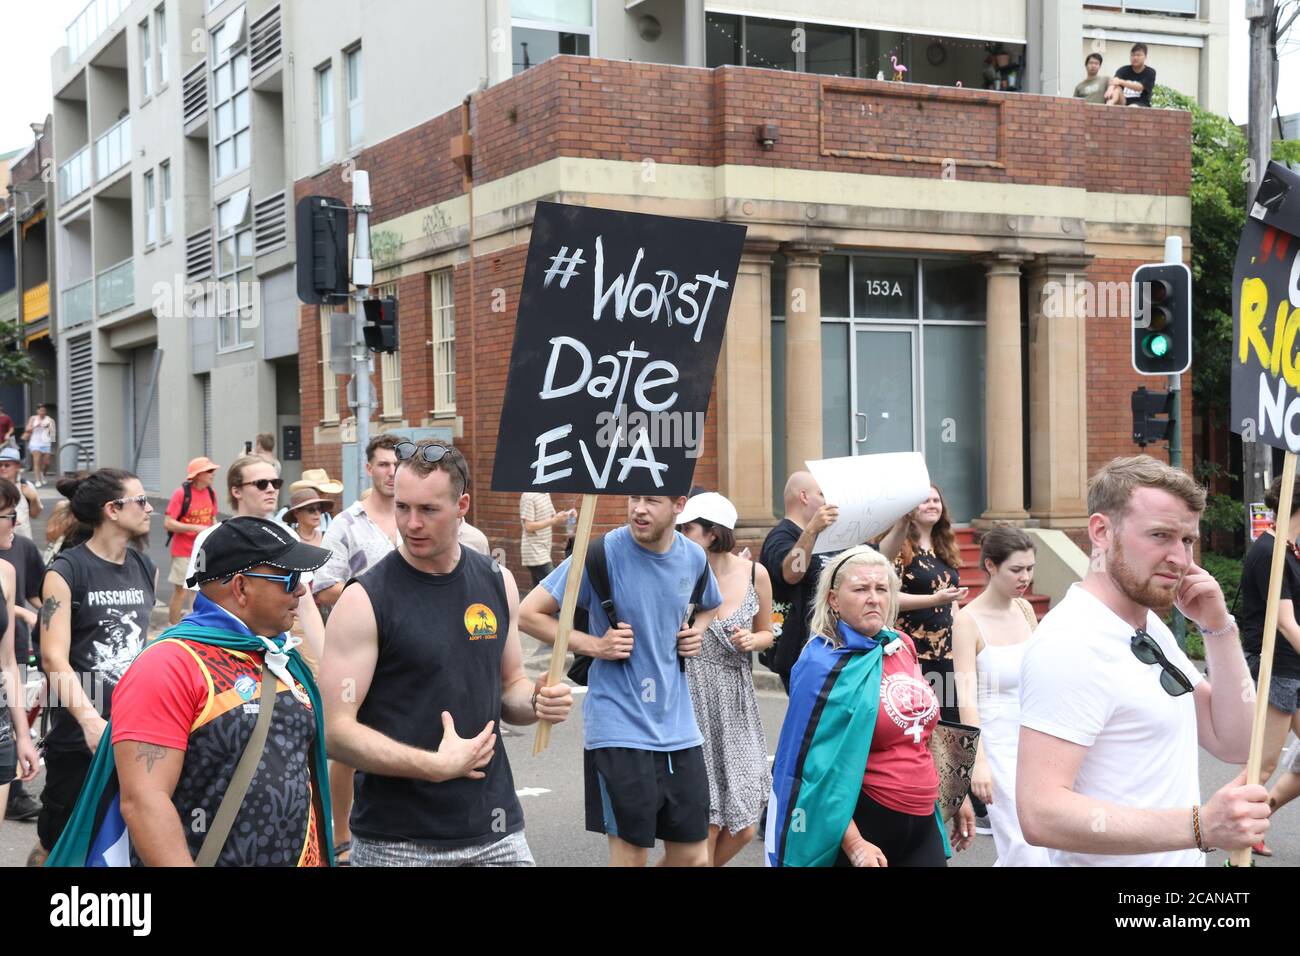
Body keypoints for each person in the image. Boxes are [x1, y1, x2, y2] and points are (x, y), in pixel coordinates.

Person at [322, 439, 572, 867]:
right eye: (403, 507)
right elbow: (334, 731)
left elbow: (510, 687)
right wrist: (433, 765)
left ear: (462, 506)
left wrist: (536, 701)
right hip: (397, 843)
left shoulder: (497, 580)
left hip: (496, 831)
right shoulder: (364, 599)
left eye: (428, 510)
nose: (411, 523)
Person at [1017, 455, 1268, 866]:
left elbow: (1235, 741)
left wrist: (1220, 629)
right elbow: (1041, 813)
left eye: (1187, 540)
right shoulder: (1071, 644)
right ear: (1102, 531)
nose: (1181, 559)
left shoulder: (1148, 624)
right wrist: (1201, 826)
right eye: (1160, 536)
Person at [46, 517, 336, 867]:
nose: (302, 591)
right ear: (241, 587)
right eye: (289, 579)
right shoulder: (170, 665)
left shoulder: (278, 657)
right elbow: (144, 802)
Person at [520, 493, 722, 868]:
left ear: (679, 505)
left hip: (680, 728)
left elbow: (710, 603)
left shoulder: (693, 557)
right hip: (619, 726)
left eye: (652, 500)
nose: (639, 508)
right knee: (631, 857)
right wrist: (595, 644)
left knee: (694, 857)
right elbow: (529, 614)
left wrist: (697, 630)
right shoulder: (600, 554)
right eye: (634, 498)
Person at [766, 545, 974, 866]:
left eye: (882, 589)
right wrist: (855, 843)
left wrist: (954, 792)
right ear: (834, 599)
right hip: (864, 822)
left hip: (921, 817)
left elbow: (922, 727)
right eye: (861, 589)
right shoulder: (821, 663)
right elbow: (814, 765)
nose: (874, 597)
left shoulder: (900, 645)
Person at [30, 469, 156, 866]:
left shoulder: (142, 565)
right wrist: (89, 721)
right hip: (79, 737)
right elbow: (53, 657)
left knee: (121, 841)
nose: (150, 507)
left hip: (133, 731)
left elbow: (142, 645)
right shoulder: (66, 572)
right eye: (140, 500)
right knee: (60, 843)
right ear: (112, 510)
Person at [311, 434, 401, 865]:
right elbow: (323, 586)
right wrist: (373, 601)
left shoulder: (414, 516)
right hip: (361, 650)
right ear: (369, 469)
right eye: (383, 464)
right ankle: (341, 833)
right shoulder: (348, 522)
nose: (391, 472)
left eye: (397, 464)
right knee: (348, 741)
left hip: (411, 649)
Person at [676, 491, 774, 866]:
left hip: (735, 697)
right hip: (691, 692)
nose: (680, 533)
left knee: (745, 823)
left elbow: (769, 631)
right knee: (709, 820)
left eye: (688, 528)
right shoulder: (678, 571)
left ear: (713, 533)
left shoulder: (755, 573)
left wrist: (754, 639)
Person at [951, 525, 1049, 866]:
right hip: (996, 743)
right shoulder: (967, 621)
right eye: (1017, 569)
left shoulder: (1023, 610)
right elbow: (965, 697)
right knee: (1023, 845)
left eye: (1030, 568)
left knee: (1046, 841)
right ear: (991, 566)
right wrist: (976, 764)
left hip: (1036, 737)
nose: (1025, 577)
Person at [761, 471, 907, 694]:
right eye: (822, 494)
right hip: (803, 650)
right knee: (819, 719)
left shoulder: (834, 534)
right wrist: (811, 531)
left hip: (843, 646)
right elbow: (792, 574)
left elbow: (878, 558)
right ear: (804, 496)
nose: (830, 501)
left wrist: (902, 524)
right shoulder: (782, 536)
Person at [184, 456, 326, 670]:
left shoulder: (287, 534)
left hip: (277, 655)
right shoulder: (209, 538)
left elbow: (306, 607)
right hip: (226, 656)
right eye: (261, 484)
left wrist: (326, 660)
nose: (271, 489)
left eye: (276, 483)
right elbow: (198, 602)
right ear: (236, 491)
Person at [1237, 473, 1300, 857]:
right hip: (1276, 669)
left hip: (1294, 669)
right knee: (1262, 767)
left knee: (1265, 766)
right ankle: (1233, 839)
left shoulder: (1290, 549)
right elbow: (1285, 622)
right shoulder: (1269, 553)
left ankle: (1257, 820)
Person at [892, 485, 968, 720]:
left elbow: (952, 602)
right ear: (909, 509)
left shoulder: (944, 546)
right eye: (925, 501)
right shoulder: (899, 547)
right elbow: (889, 598)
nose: (932, 505)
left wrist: (961, 637)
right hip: (912, 654)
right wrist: (935, 599)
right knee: (919, 720)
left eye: (936, 500)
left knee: (952, 723)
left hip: (946, 654)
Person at [0, 477, 45, 821]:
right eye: (8, 515)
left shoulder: (7, 573)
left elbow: (8, 665)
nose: (15, 523)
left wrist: (22, 736)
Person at [163, 457, 220, 626]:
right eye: (209, 471)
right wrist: (195, 528)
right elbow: (168, 523)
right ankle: (172, 627)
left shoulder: (211, 492)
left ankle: (194, 627)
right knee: (181, 591)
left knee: (198, 589)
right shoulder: (181, 493)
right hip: (183, 551)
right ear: (198, 474)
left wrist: (217, 532)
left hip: (202, 550)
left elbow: (212, 517)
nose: (213, 474)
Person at [520, 491, 573, 587]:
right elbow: (528, 526)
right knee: (554, 586)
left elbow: (552, 518)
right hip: (534, 552)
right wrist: (554, 520)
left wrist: (567, 515)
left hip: (544, 550)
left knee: (538, 591)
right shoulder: (528, 496)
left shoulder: (545, 493)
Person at [0, 446, 42, 541]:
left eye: (7, 465)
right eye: (0, 465)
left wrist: (33, 499)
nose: (2, 468)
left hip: (22, 540)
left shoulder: (26, 485)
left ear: (17, 466)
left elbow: (35, 515)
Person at [1105, 42, 1156, 107]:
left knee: (1132, 107)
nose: (1135, 58)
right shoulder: (1123, 69)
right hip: (1123, 101)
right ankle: (1108, 105)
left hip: (1141, 104)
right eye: (1132, 55)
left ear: (1145, 57)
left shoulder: (1150, 72)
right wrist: (1110, 89)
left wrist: (1121, 81)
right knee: (1116, 88)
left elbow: (1139, 87)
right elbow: (1115, 80)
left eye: (1138, 55)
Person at [23, 404, 55, 488]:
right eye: (40, 410)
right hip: (35, 443)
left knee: (47, 463)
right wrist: (35, 426)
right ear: (37, 411)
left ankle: (43, 474)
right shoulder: (33, 418)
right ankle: (38, 480)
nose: (42, 412)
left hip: (46, 443)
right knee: (36, 461)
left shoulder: (49, 419)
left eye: (44, 410)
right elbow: (27, 429)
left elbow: (52, 432)